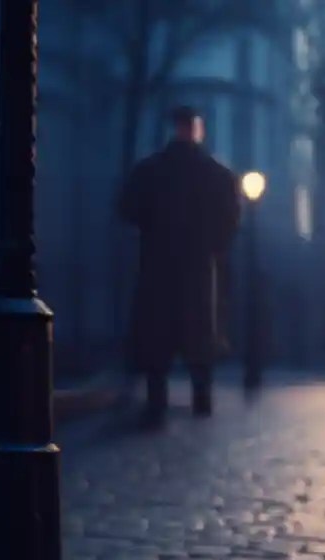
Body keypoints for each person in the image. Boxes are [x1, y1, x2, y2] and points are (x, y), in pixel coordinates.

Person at [119, 106, 240, 423]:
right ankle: (201, 398)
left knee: (157, 335)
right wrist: (214, 245)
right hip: (197, 266)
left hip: (159, 264)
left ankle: (157, 401)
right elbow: (230, 220)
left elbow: (127, 209)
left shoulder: (150, 171)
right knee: (199, 333)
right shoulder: (216, 174)